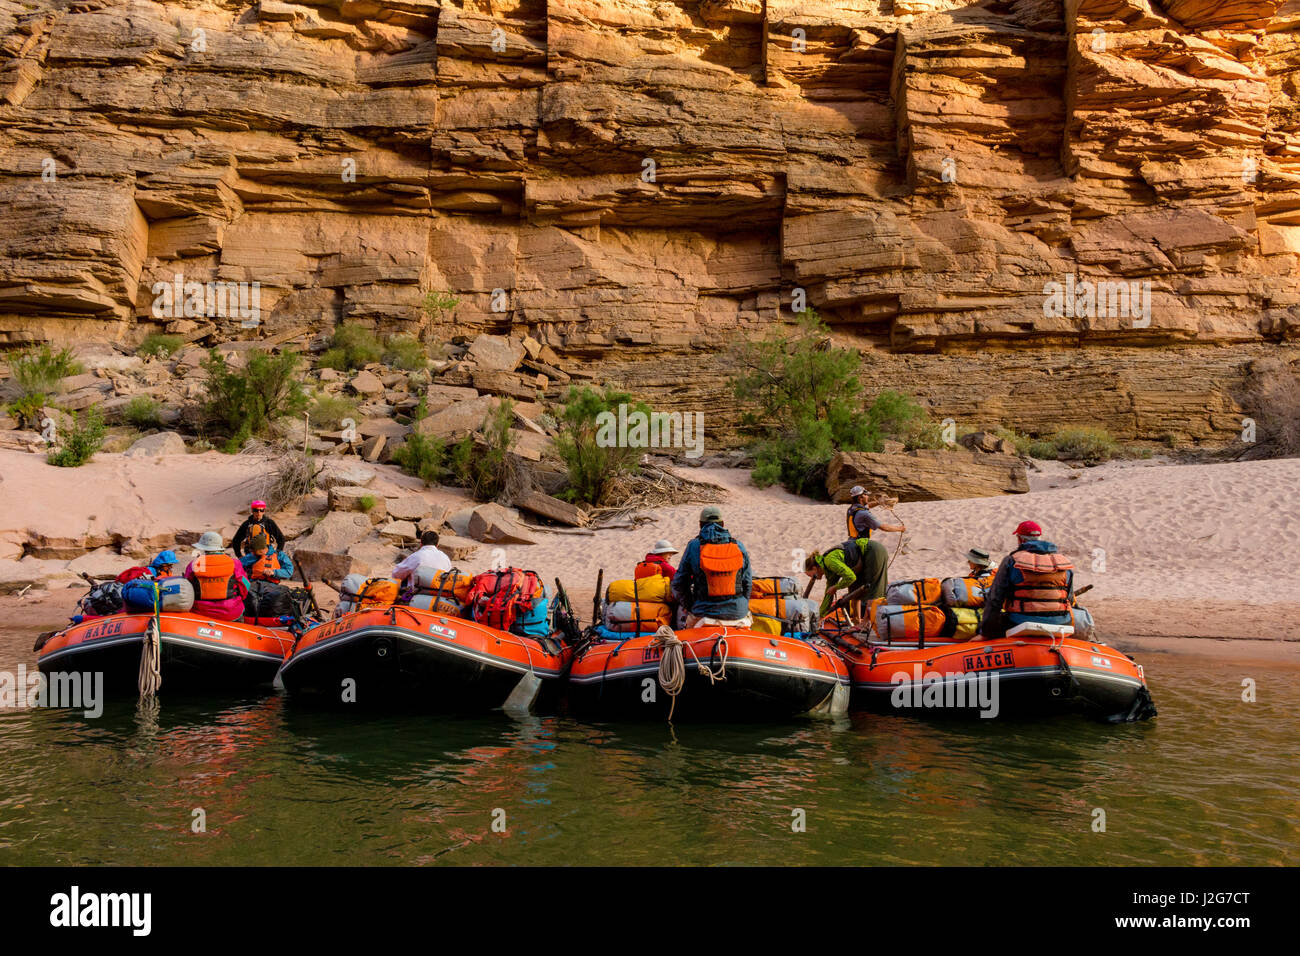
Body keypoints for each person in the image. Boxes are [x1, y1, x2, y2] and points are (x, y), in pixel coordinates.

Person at [978, 520, 1074, 639]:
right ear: (1039, 537)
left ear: (1020, 539)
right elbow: (1069, 598)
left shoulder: (1011, 561)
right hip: (1062, 623)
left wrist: (985, 633)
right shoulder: (1062, 563)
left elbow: (995, 599)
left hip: (1018, 622)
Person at [671, 507, 753, 627]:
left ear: (700, 525)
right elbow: (748, 583)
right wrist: (742, 604)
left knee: (683, 631)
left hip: (702, 613)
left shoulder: (694, 546)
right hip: (738, 613)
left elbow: (678, 584)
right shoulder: (739, 546)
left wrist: (691, 606)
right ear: (723, 524)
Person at [804, 536, 890, 618]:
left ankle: (868, 623)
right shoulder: (828, 571)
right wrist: (821, 615)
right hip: (859, 562)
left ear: (814, 568)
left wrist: (836, 587)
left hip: (873, 551)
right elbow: (828, 595)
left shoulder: (829, 561)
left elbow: (850, 577)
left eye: (809, 575)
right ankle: (857, 622)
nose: (811, 578)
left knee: (873, 591)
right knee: (854, 592)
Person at [184, 532, 250, 621]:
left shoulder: (193, 565)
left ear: (203, 548)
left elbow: (187, 587)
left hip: (201, 613)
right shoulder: (235, 564)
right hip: (231, 613)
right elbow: (246, 587)